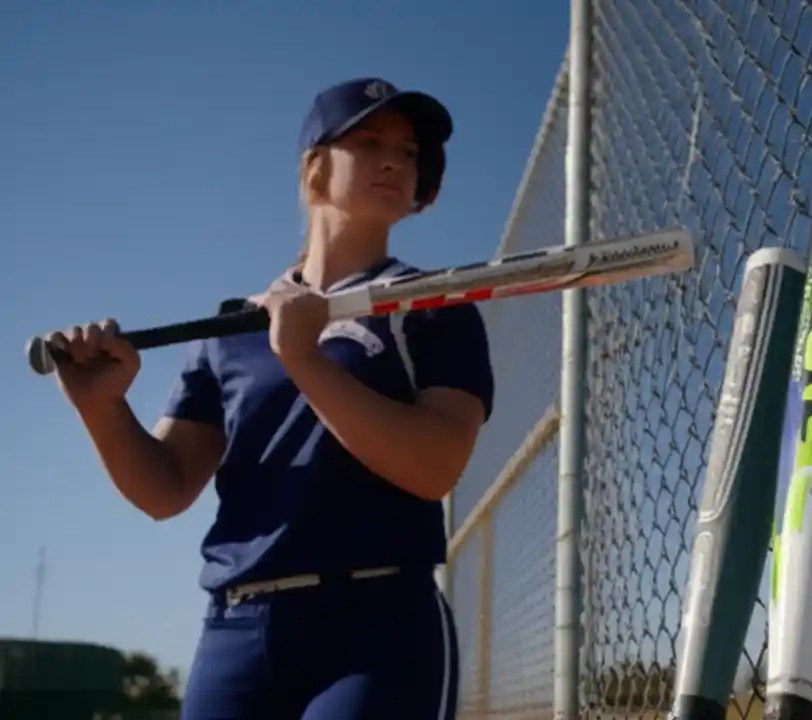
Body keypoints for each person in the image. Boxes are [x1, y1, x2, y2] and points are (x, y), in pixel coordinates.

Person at [43, 77, 494, 719]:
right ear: (315, 167)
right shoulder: (233, 326)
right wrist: (101, 407)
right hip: (240, 625)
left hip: (379, 625)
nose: (394, 160)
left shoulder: (435, 306)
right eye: (368, 141)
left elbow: (435, 466)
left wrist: (305, 360)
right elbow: (165, 489)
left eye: (409, 150)